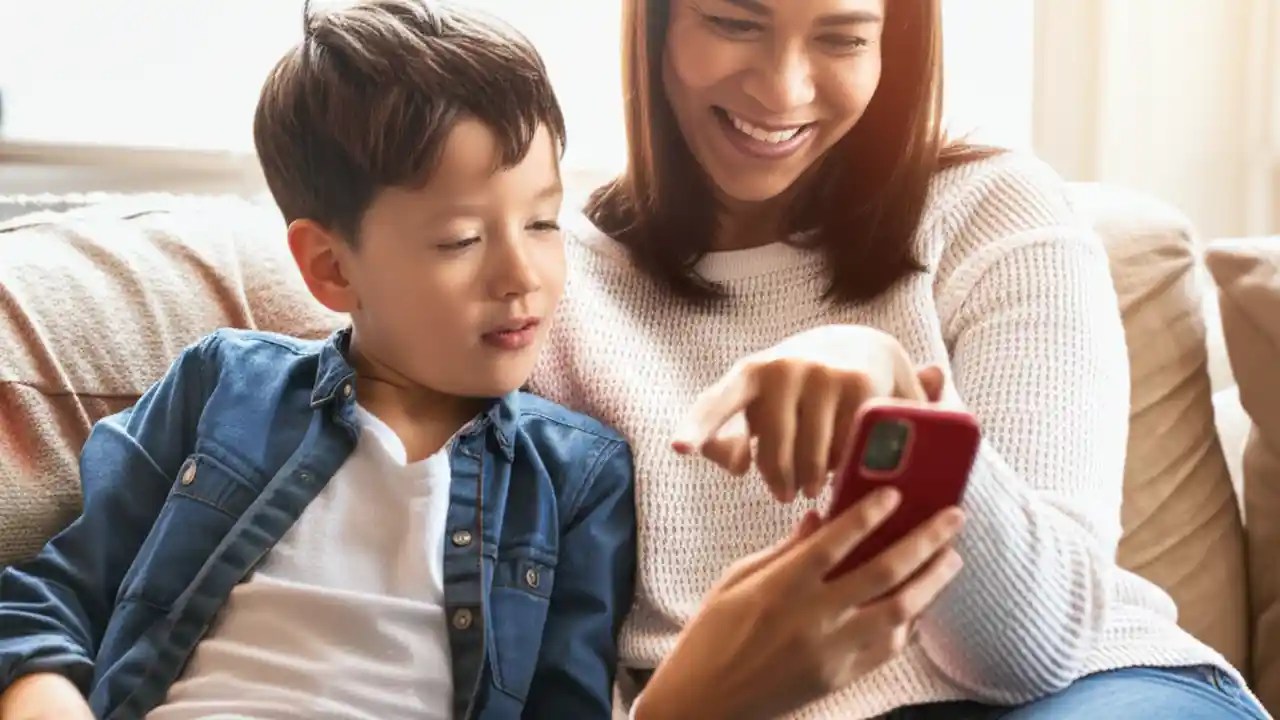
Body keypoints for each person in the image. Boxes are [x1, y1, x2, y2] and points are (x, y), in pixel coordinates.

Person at [526, 0, 1270, 718]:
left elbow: (1034, 651)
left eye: (843, 38)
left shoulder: (996, 208)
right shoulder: (544, 280)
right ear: (655, 20)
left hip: (1090, 692)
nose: (784, 90)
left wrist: (902, 411)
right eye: (733, 23)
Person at [0, 2, 636, 718]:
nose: (521, 275)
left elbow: (568, 702)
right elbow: (47, 598)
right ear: (332, 267)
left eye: (543, 222)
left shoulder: (578, 476)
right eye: (462, 240)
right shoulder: (225, 387)